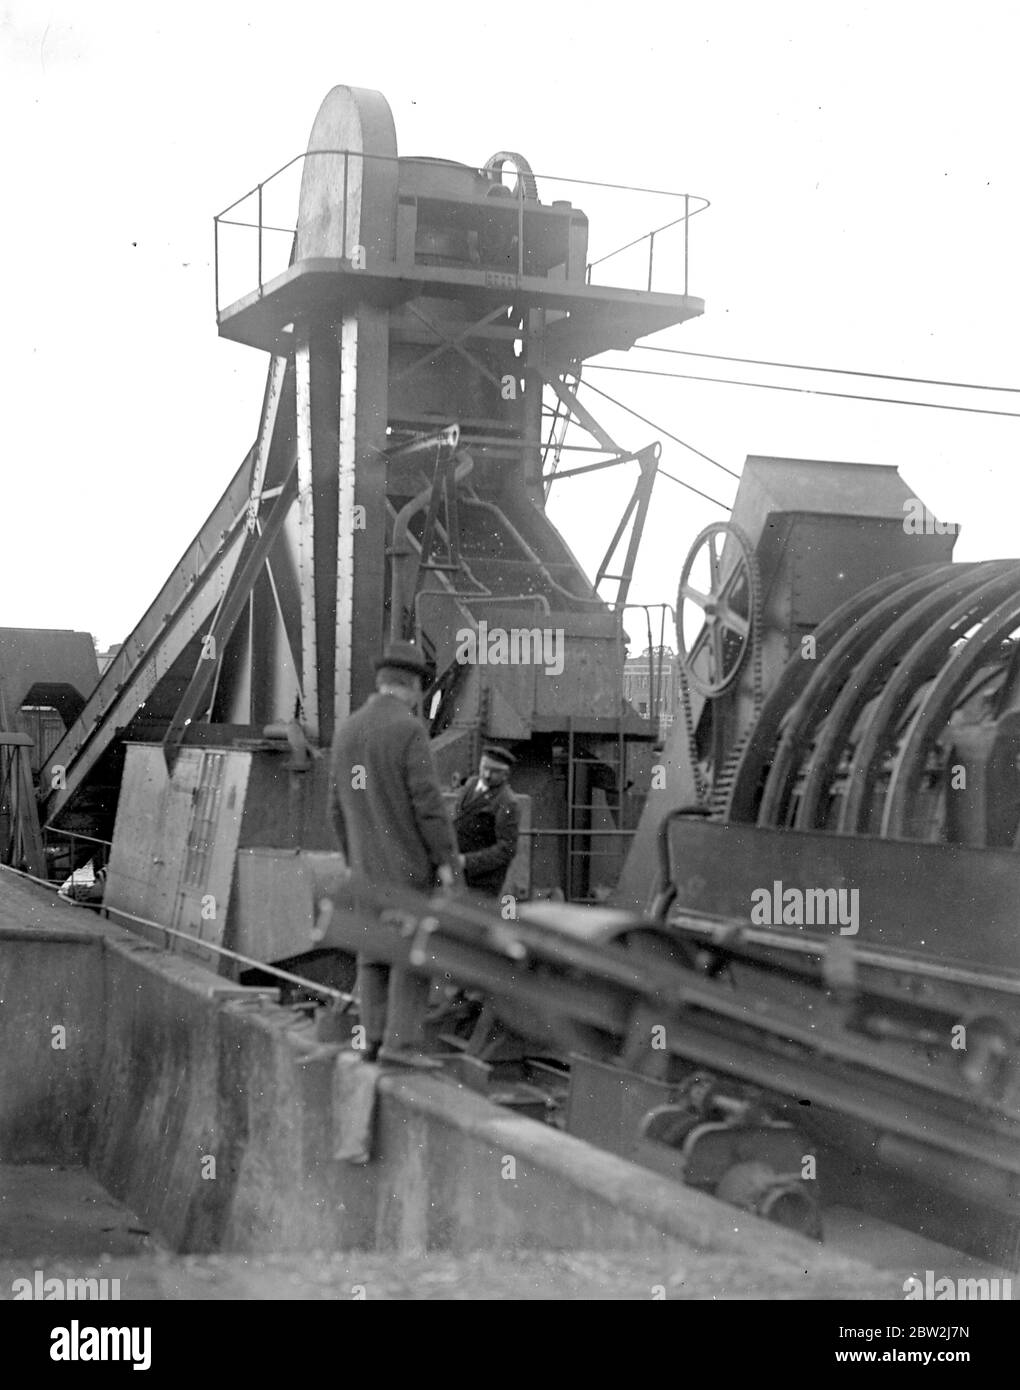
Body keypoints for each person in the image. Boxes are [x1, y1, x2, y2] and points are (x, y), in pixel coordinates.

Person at [328, 641, 458, 1069]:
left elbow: (335, 807)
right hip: (407, 868)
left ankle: (372, 1040)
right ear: (415, 686)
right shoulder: (407, 729)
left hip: (365, 867)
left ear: (381, 682)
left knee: (371, 952)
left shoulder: (347, 729)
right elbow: (427, 804)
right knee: (410, 954)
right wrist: (446, 861)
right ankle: (400, 1049)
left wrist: (354, 859)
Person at [453, 746, 521, 900]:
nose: (487, 775)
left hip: (484, 882)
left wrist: (468, 861)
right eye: (484, 768)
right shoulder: (471, 785)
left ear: (506, 775)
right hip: (461, 876)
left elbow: (506, 849)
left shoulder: (507, 802)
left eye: (494, 771)